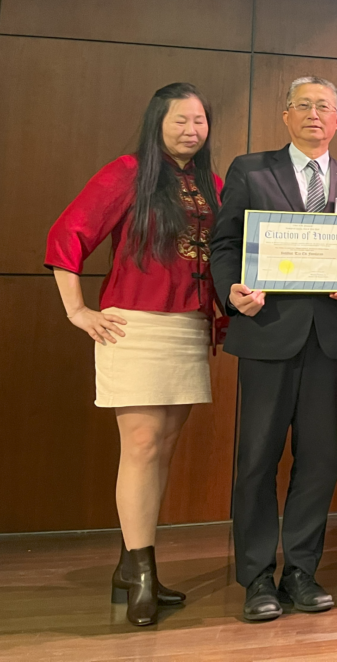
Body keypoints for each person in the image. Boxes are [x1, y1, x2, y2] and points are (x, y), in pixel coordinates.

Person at [45, 83, 222, 627]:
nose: (191, 130)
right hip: (135, 325)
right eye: (180, 121)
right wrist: (78, 311)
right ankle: (141, 572)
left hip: (189, 326)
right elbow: (68, 234)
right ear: (157, 123)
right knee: (142, 446)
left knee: (163, 448)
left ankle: (132, 564)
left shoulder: (212, 183)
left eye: (199, 121)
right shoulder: (128, 171)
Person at [210, 76, 337, 621]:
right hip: (266, 330)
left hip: (328, 337)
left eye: (324, 107)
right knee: (256, 457)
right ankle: (256, 576)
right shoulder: (249, 170)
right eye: (302, 105)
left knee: (319, 460)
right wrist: (230, 291)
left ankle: (301, 569)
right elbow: (226, 243)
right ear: (286, 115)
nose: (313, 115)